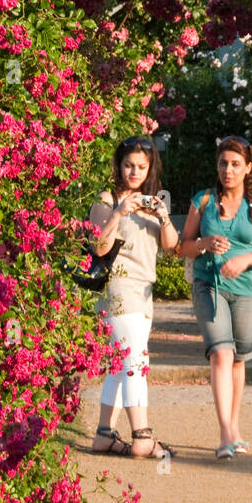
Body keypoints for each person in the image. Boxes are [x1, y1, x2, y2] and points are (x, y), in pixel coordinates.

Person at [178, 136, 252, 460]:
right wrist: (205, 243)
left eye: (236, 164)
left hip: (248, 290)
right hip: (209, 286)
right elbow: (182, 247)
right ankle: (224, 434)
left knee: (238, 357)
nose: (228, 170)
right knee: (220, 353)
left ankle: (234, 427)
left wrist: (245, 259)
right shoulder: (203, 200)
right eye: (223, 163)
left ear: (248, 167)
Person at [89, 136, 181, 459]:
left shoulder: (151, 202)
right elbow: (98, 248)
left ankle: (103, 434)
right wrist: (118, 212)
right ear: (119, 164)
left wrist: (164, 218)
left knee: (119, 364)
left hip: (144, 295)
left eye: (142, 166)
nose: (135, 172)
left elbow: (172, 247)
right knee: (135, 363)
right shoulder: (105, 199)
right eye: (129, 165)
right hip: (118, 292)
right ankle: (142, 436)